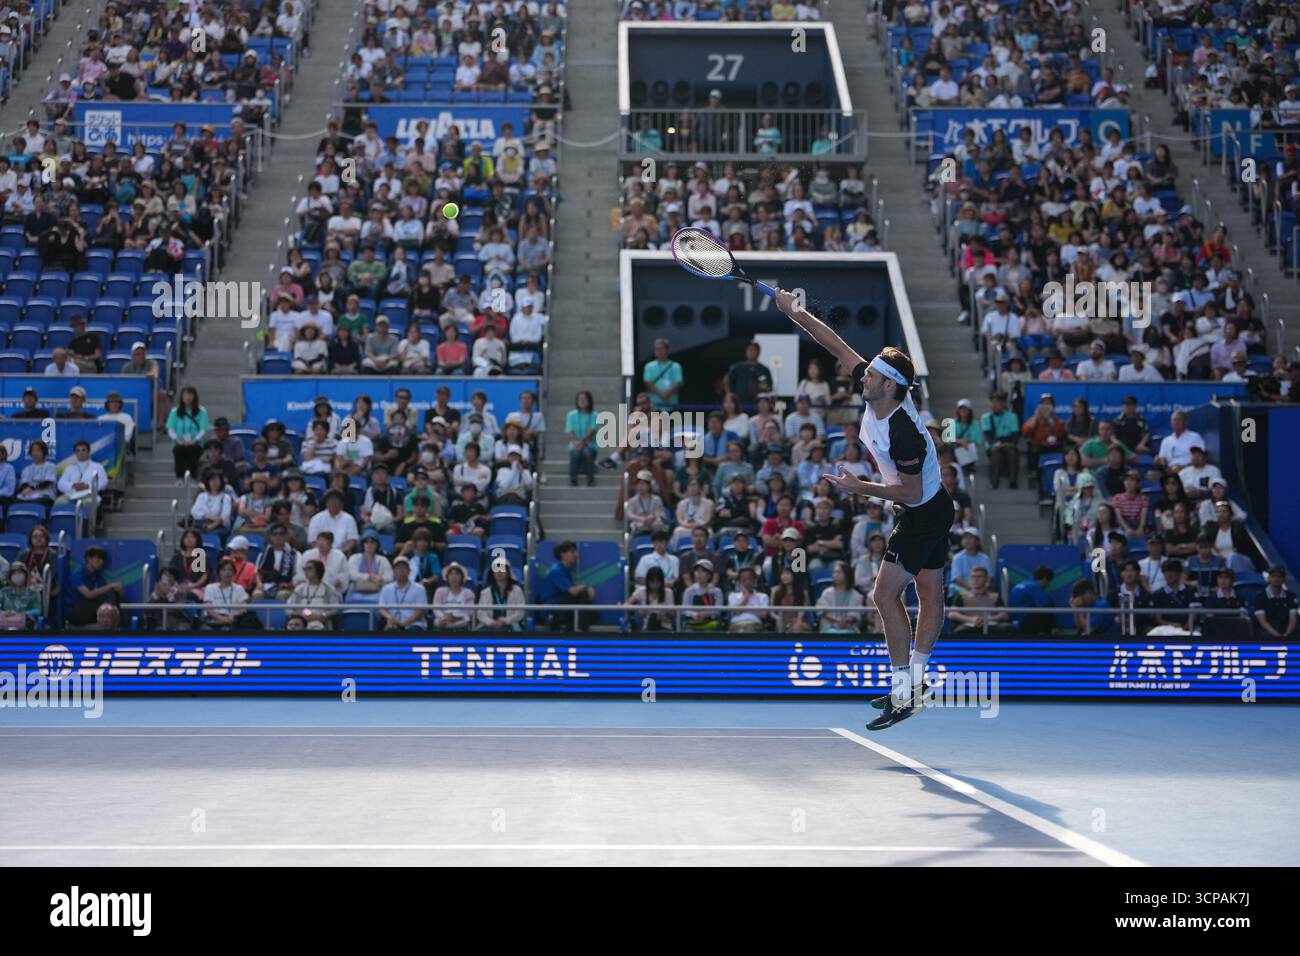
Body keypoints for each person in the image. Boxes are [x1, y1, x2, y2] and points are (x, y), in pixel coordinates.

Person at [776, 287, 952, 730]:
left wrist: (860, 487)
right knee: (929, 593)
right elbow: (834, 343)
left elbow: (909, 494)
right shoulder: (881, 389)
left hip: (923, 511)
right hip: (932, 506)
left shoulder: (904, 432)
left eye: (872, 374)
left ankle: (901, 692)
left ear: (890, 385)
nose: (862, 376)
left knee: (883, 595)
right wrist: (795, 311)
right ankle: (915, 681)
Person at [540, 540, 596, 632]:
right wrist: (586, 587)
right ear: (562, 554)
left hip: (562, 607)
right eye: (572, 552)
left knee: (592, 613)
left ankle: (575, 629)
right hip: (552, 610)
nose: (576, 555)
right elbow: (573, 592)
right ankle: (578, 630)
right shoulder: (556, 571)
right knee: (583, 595)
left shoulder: (565, 571)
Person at [166, 386, 209, 480]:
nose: (188, 397)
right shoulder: (175, 411)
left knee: (192, 451)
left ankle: (193, 477)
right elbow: (170, 430)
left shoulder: (202, 411)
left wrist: (194, 440)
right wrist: (177, 440)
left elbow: (203, 430)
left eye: (190, 394)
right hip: (179, 443)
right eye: (185, 394)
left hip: (196, 443)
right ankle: (179, 478)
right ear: (181, 396)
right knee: (179, 450)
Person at [378, 556, 427, 630]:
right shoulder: (386, 589)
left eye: (404, 568)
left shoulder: (419, 589)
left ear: (409, 571)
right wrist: (390, 618)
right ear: (394, 571)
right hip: (393, 624)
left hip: (414, 624)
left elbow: (420, 611)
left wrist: (405, 623)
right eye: (398, 568)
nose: (401, 570)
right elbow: (382, 608)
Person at [477, 558, 526, 631]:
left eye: (502, 569)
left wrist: (505, 621)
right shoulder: (485, 592)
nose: (499, 572)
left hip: (511, 625)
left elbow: (520, 612)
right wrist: (492, 622)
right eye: (496, 570)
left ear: (508, 572)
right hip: (489, 626)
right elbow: (481, 614)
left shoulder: (517, 590)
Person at [1253, 565, 1298, 638]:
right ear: (1268, 578)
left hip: (1287, 633)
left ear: (1284, 579)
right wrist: (1277, 636)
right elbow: (1262, 621)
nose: (1276, 579)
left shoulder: (1291, 596)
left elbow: (1293, 619)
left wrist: (1287, 634)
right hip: (1267, 633)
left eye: (1279, 576)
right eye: (1273, 576)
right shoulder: (1260, 597)